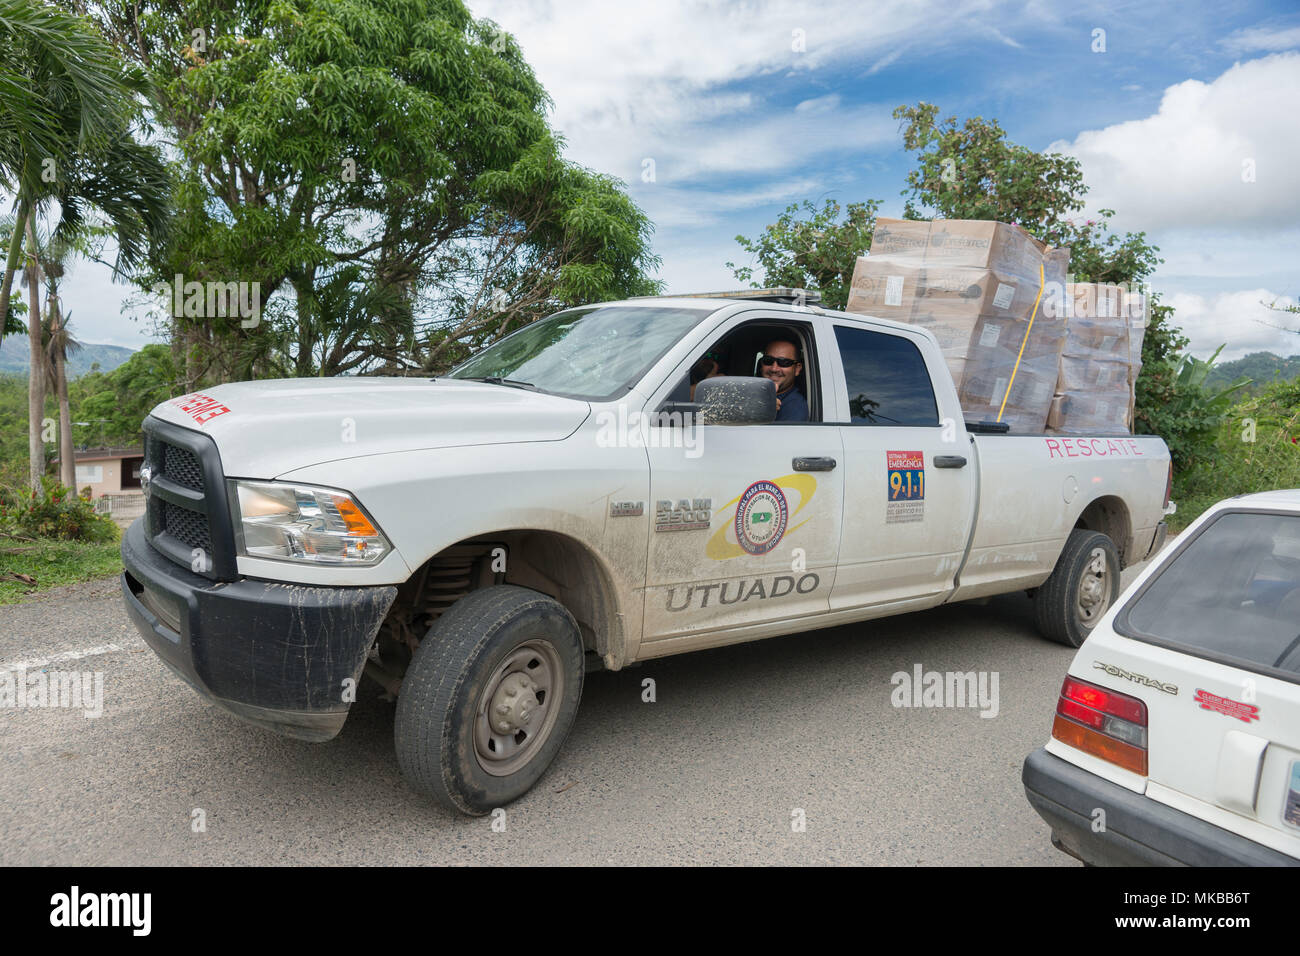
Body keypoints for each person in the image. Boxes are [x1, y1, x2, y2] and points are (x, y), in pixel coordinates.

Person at [759, 338, 808, 422]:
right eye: (768, 360)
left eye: (784, 362)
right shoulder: (753, 393)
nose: (774, 369)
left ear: (797, 369)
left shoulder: (794, 407)